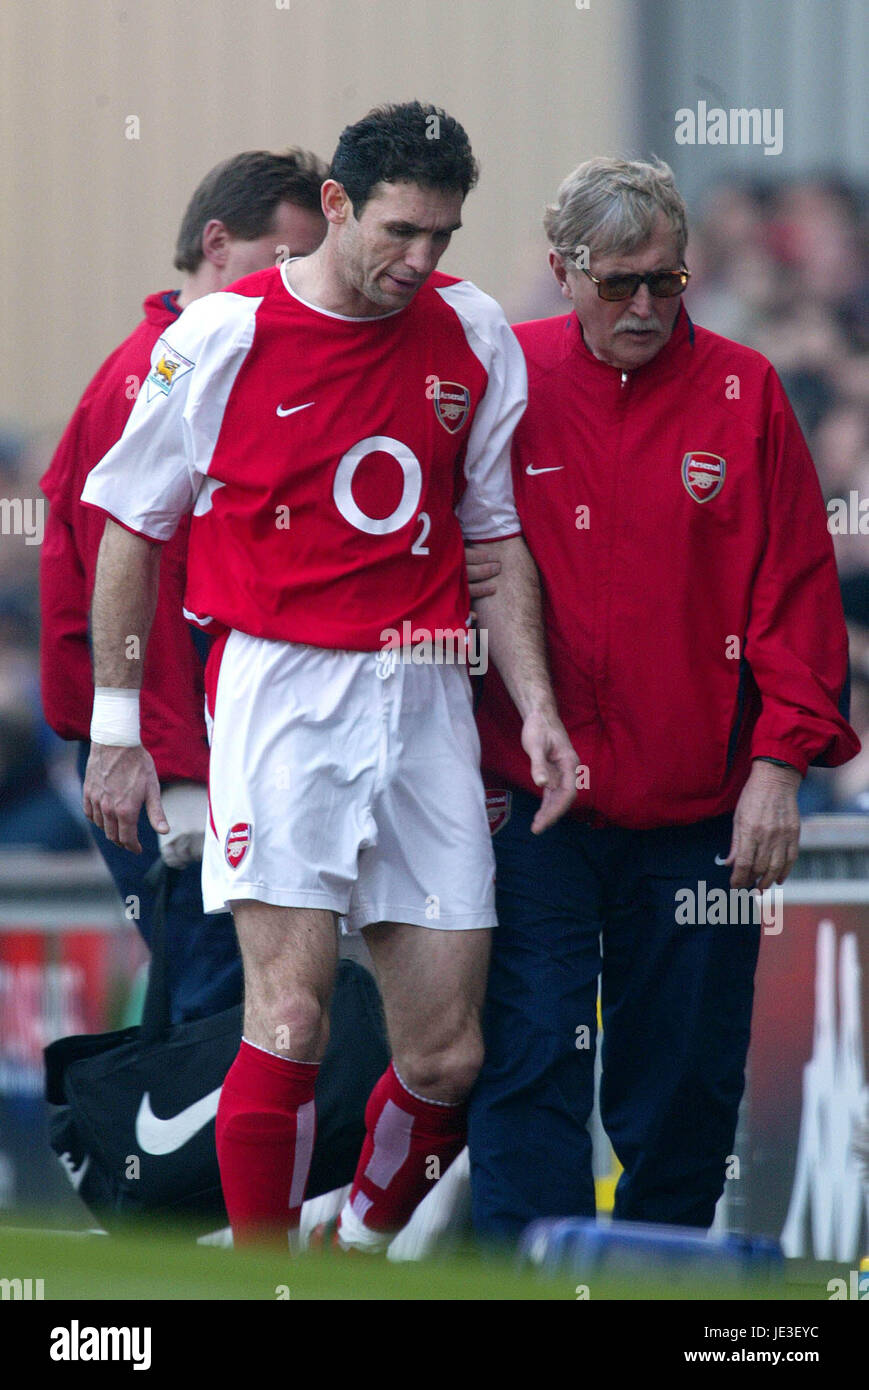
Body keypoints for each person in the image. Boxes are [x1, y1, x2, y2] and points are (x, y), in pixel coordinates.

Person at [79, 102, 578, 1252]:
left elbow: (494, 544)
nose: (420, 260)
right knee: (291, 1016)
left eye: (443, 236)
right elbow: (127, 528)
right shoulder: (221, 334)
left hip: (427, 697)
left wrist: (538, 706)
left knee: (447, 1055)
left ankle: (350, 1248)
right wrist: (118, 725)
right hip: (281, 689)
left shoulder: (475, 330)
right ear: (336, 207)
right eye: (400, 229)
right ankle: (267, 1283)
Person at [465, 156, 860, 1243]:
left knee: (683, 1085)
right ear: (561, 271)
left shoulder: (744, 392)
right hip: (531, 801)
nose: (645, 306)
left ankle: (668, 1294)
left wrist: (778, 768)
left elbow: (792, 595)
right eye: (618, 283)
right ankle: (522, 1282)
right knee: (530, 1056)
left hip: (698, 805)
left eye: (667, 283)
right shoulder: (505, 376)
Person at [40, 149, 327, 1022]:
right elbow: (137, 604)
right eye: (287, 259)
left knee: (233, 1003)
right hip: (165, 758)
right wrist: (174, 772)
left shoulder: (209, 365)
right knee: (220, 1014)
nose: (303, 284)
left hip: (193, 746)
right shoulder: (154, 378)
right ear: (217, 243)